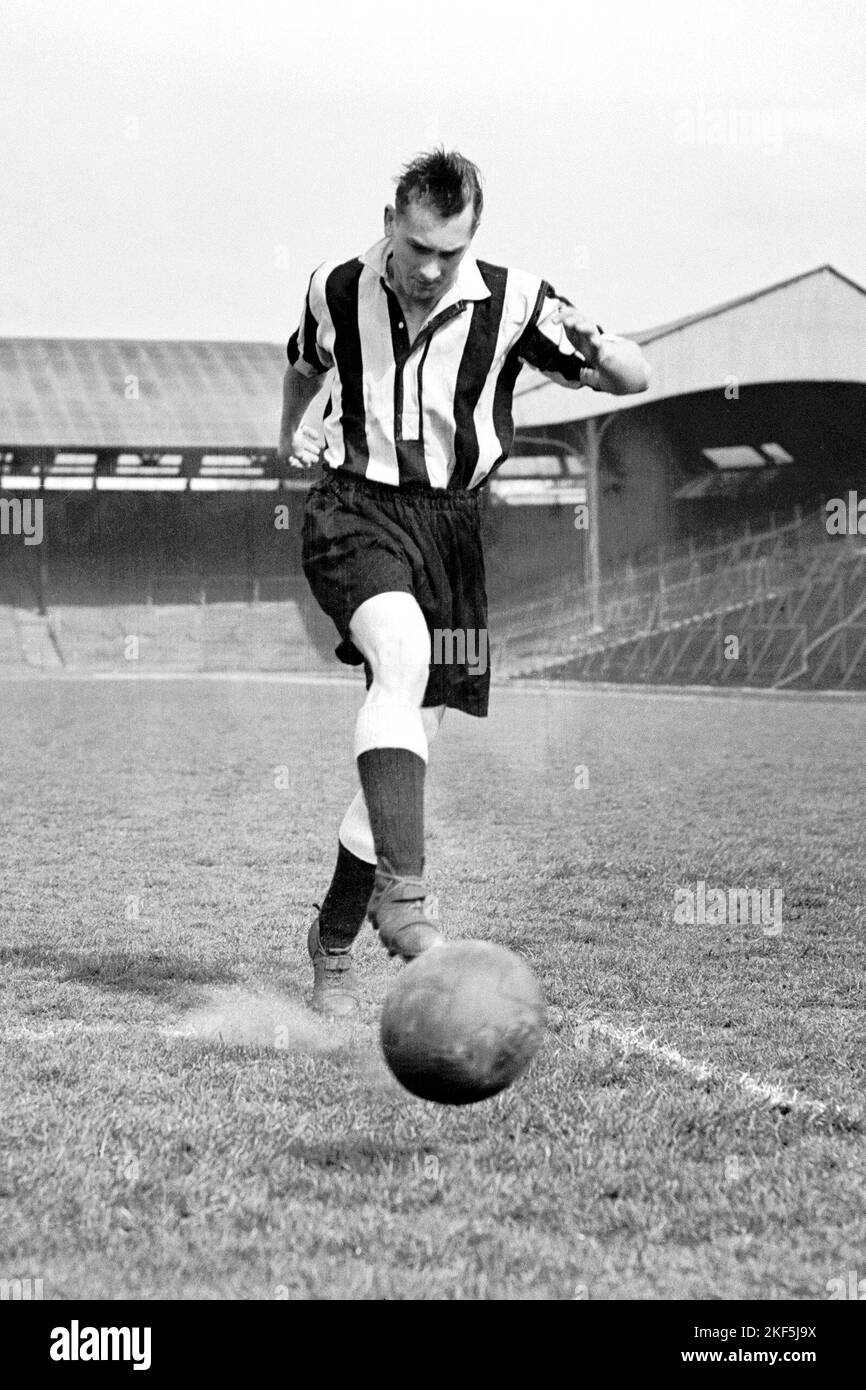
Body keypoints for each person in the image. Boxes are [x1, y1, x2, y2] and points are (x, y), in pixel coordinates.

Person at [278, 149, 650, 1016]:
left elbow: (633, 378)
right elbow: (302, 362)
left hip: (454, 533)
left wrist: (607, 347)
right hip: (354, 510)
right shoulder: (334, 288)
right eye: (417, 248)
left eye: (451, 251)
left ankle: (335, 932)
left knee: (413, 730)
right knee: (401, 658)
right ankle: (404, 896)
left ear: (471, 240)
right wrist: (291, 431)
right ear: (388, 225)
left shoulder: (517, 301)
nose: (432, 268)